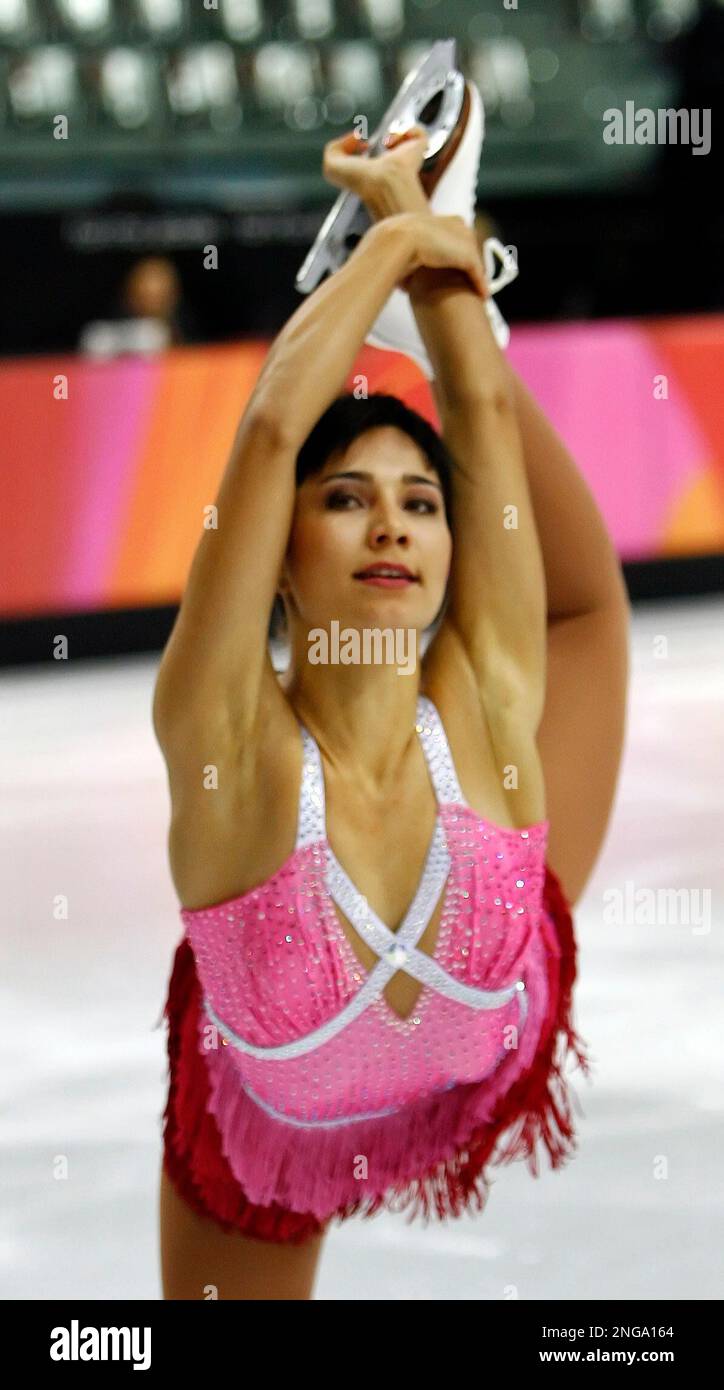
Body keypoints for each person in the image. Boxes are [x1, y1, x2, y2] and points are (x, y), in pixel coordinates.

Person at [152, 129, 630, 1301]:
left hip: (480, 1034)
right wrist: (400, 245)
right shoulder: (228, 737)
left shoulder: (479, 687)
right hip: (271, 1134)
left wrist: (433, 252)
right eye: (348, 500)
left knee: (580, 615)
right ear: (278, 553)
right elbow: (271, 432)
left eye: (420, 502)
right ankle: (404, 292)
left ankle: (429, 299)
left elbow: (479, 419)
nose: (392, 526)